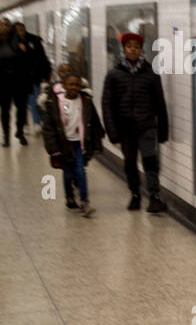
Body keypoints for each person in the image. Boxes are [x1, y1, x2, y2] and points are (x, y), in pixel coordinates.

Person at [102, 31, 169, 213]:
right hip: (125, 128)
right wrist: (112, 131)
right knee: (130, 163)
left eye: (136, 47)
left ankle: (154, 196)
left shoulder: (151, 75)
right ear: (124, 49)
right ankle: (135, 194)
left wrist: (163, 130)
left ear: (141, 50)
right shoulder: (114, 75)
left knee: (150, 161)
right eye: (129, 46)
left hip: (147, 125)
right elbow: (107, 104)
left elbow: (160, 105)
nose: (133, 50)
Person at [41, 71, 103, 217]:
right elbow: (48, 128)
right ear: (64, 86)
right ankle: (69, 198)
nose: (74, 87)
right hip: (63, 144)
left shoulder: (86, 100)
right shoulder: (55, 102)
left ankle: (84, 201)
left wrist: (97, 145)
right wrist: (53, 149)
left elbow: (94, 123)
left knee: (80, 172)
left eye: (77, 85)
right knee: (68, 173)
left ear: (80, 86)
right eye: (71, 84)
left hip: (79, 144)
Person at [13, 23, 51, 131]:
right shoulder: (10, 43)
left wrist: (47, 73)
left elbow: (41, 57)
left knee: (34, 99)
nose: (20, 32)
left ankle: (37, 122)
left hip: (33, 76)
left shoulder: (34, 40)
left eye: (21, 29)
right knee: (21, 103)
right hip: (17, 78)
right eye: (17, 30)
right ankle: (24, 123)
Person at [0, 17, 29, 146]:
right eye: (1, 25)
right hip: (3, 82)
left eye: (6, 24)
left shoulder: (18, 39)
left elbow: (29, 58)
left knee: (21, 108)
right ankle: (6, 135)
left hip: (19, 80)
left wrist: (25, 51)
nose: (4, 27)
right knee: (5, 109)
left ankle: (20, 131)